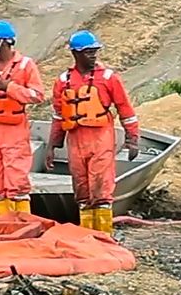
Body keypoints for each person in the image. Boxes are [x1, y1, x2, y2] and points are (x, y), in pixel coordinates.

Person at [48, 31, 140, 234]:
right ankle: (88, 237)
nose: (93, 56)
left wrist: (132, 139)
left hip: (101, 139)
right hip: (75, 141)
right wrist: (52, 146)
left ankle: (104, 237)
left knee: (101, 190)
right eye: (88, 52)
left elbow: (125, 109)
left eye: (95, 52)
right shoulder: (63, 81)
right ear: (75, 53)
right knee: (82, 191)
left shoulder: (108, 78)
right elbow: (58, 114)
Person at [0, 20, 46, 216]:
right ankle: (3, 222)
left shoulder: (25, 65)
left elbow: (38, 95)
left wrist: (10, 88)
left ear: (5, 42)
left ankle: (23, 222)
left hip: (14, 129)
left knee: (16, 176)